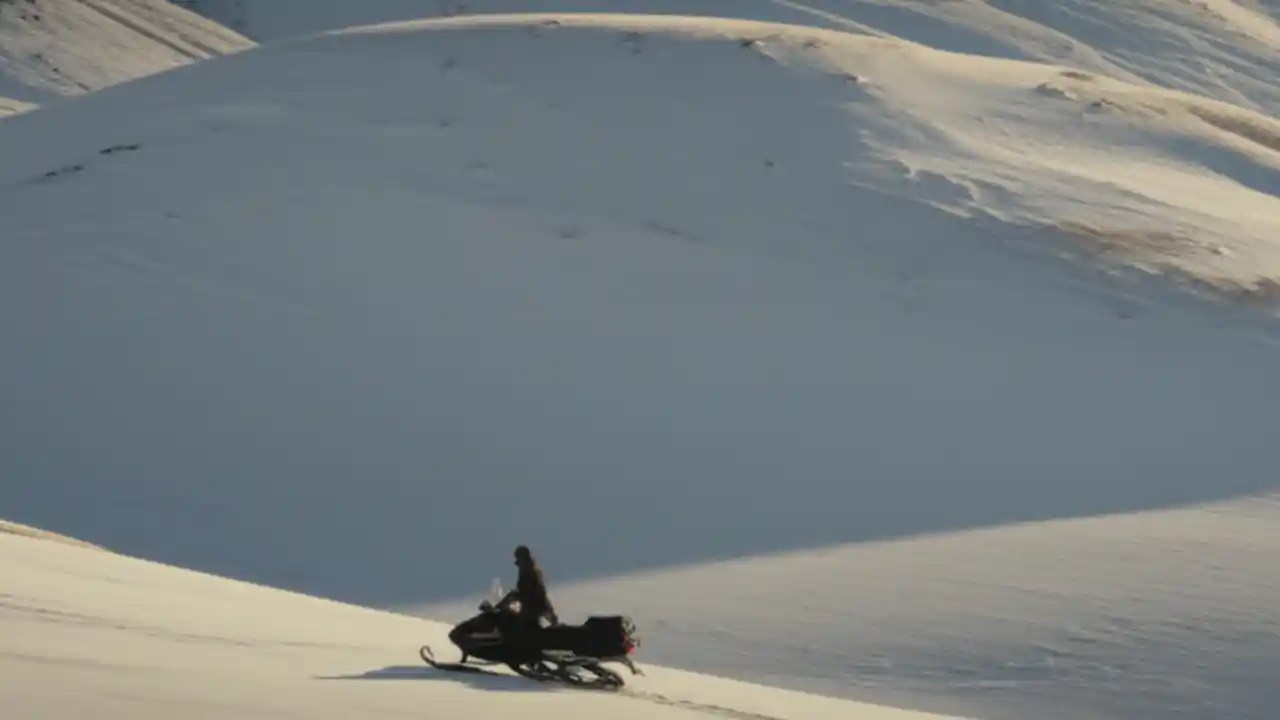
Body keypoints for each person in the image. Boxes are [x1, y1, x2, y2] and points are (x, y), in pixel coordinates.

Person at [496, 545, 559, 631]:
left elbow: (540, 597)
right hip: (526, 613)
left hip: (529, 617)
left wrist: (551, 616)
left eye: (519, 559)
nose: (517, 563)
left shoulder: (530, 576)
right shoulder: (528, 575)